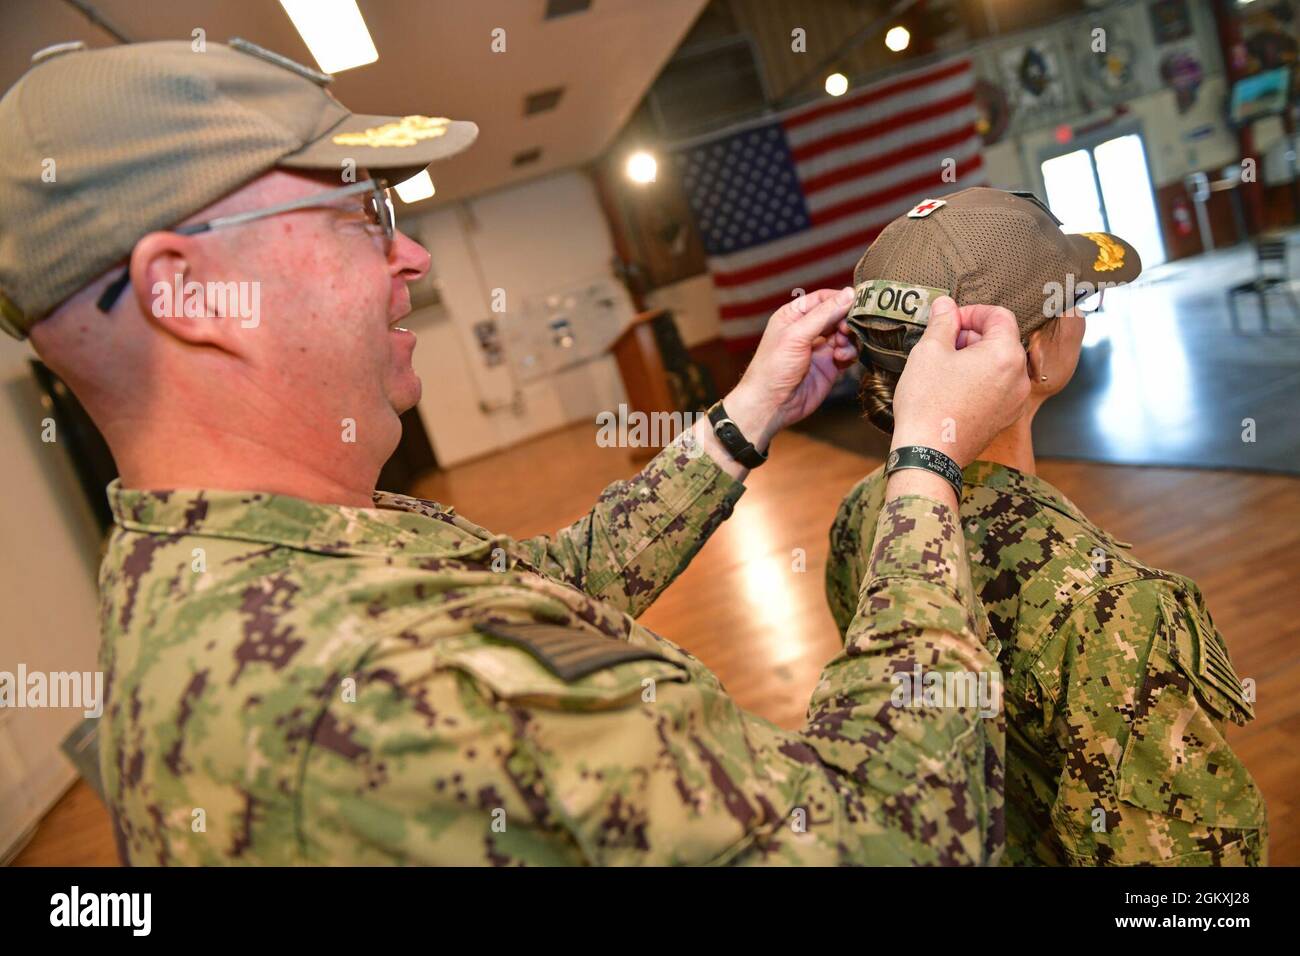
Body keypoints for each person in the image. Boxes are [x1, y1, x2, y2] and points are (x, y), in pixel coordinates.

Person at [1, 39, 1029, 865]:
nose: (412, 252)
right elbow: (895, 832)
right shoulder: (383, 685)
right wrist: (927, 457)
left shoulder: (265, 555)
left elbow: (543, 591)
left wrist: (743, 415)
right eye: (362, 210)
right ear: (184, 292)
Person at [825, 188, 1268, 866]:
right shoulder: (1111, 606)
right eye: (1075, 306)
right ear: (1027, 354)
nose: (1083, 324)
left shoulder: (869, 511)